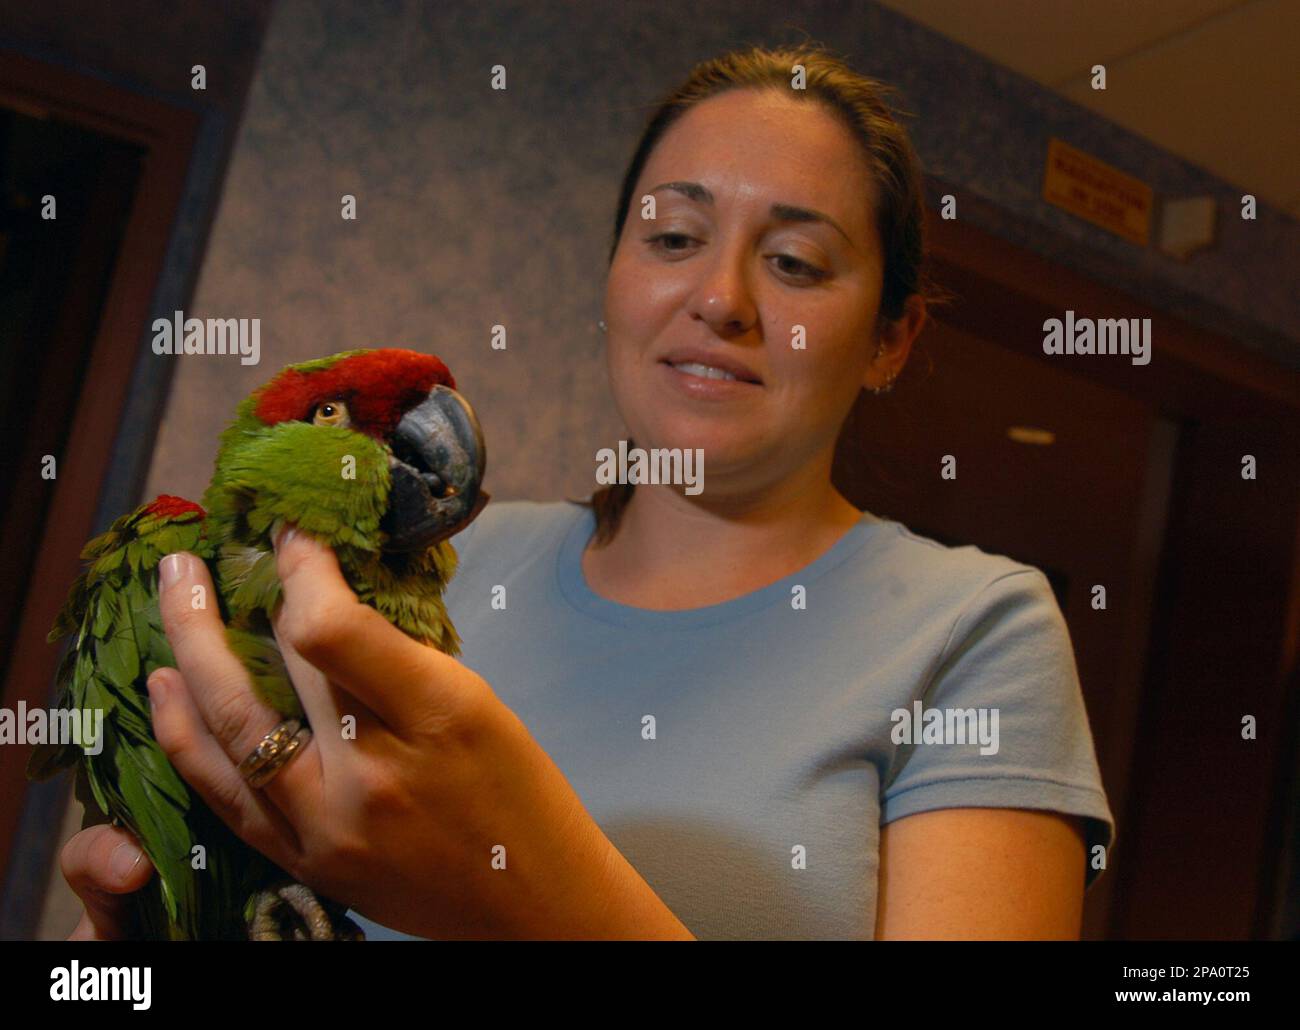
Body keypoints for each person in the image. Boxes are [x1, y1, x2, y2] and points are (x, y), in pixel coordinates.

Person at [59, 43, 1114, 941]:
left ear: (891, 338)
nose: (719, 298)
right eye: (671, 238)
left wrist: (522, 887)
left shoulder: (980, 629)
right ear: (613, 275)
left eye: (794, 261)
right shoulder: (415, 568)